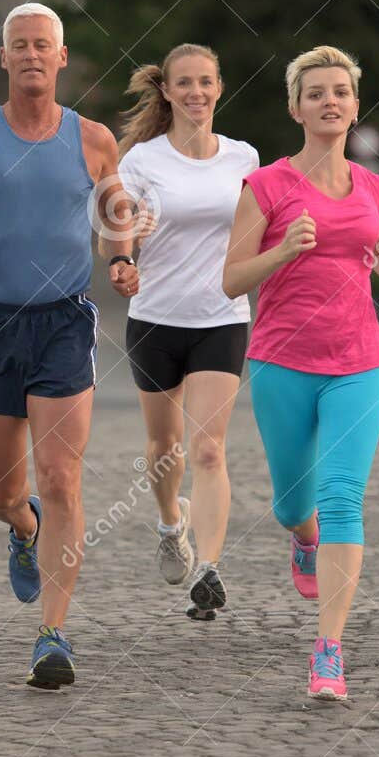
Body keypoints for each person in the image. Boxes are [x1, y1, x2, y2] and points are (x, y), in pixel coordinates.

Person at [0, 2, 139, 689]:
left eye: (44, 45)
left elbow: (116, 211)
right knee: (2, 490)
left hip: (65, 322)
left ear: (61, 58)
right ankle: (21, 527)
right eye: (21, 46)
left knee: (63, 479)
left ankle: (54, 634)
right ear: (4, 59)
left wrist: (123, 257)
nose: (33, 55)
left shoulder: (95, 140)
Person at [222, 45, 379, 700]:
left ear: (354, 104)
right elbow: (230, 277)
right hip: (282, 361)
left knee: (343, 496)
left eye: (340, 91)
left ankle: (329, 650)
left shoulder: (373, 185)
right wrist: (282, 249)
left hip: (359, 362)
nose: (330, 101)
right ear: (296, 107)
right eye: (316, 93)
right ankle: (302, 538)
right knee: (294, 502)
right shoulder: (268, 186)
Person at [112, 44, 259, 620]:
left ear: (219, 87)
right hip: (155, 316)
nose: (196, 92)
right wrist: (123, 257)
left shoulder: (245, 158)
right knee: (164, 446)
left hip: (221, 316)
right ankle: (172, 522)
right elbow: (113, 229)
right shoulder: (142, 160)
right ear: (167, 92)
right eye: (184, 84)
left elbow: (261, 230)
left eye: (205, 81)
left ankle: (209, 569)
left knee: (208, 447)